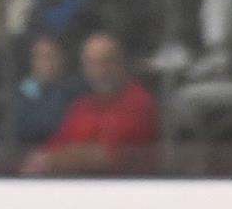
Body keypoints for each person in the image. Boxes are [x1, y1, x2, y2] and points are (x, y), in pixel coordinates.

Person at [22, 32, 157, 175]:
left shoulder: (140, 103)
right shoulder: (82, 107)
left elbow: (107, 157)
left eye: (106, 62)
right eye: (92, 64)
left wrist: (58, 159)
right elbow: (54, 148)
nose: (100, 71)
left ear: (121, 64)